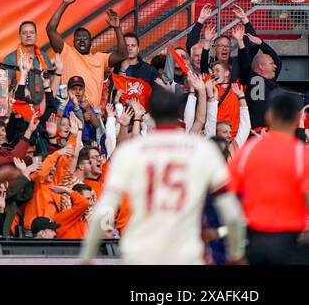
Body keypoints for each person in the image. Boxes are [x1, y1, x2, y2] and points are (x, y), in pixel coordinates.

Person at [80, 89, 246, 265]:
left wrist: (87, 256)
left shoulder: (130, 151)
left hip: (141, 253)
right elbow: (231, 211)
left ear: (151, 113)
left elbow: (105, 207)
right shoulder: (202, 149)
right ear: (177, 114)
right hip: (185, 253)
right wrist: (236, 254)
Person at [227, 90, 309, 265]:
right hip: (292, 243)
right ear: (296, 119)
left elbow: (228, 200)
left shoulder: (248, 151)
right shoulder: (302, 154)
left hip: (254, 243)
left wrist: (235, 249)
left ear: (269, 116)